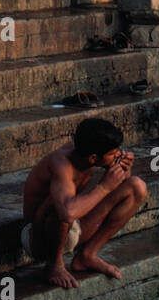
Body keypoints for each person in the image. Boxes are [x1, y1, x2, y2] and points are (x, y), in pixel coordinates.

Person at [21, 118, 147, 288]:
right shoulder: (61, 163)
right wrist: (104, 187)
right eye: (113, 153)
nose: (118, 155)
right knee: (61, 205)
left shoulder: (89, 152)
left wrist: (124, 169)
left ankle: (87, 256)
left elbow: (121, 183)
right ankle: (54, 265)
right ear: (93, 158)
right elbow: (66, 213)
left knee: (136, 187)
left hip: (72, 228)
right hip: (39, 238)